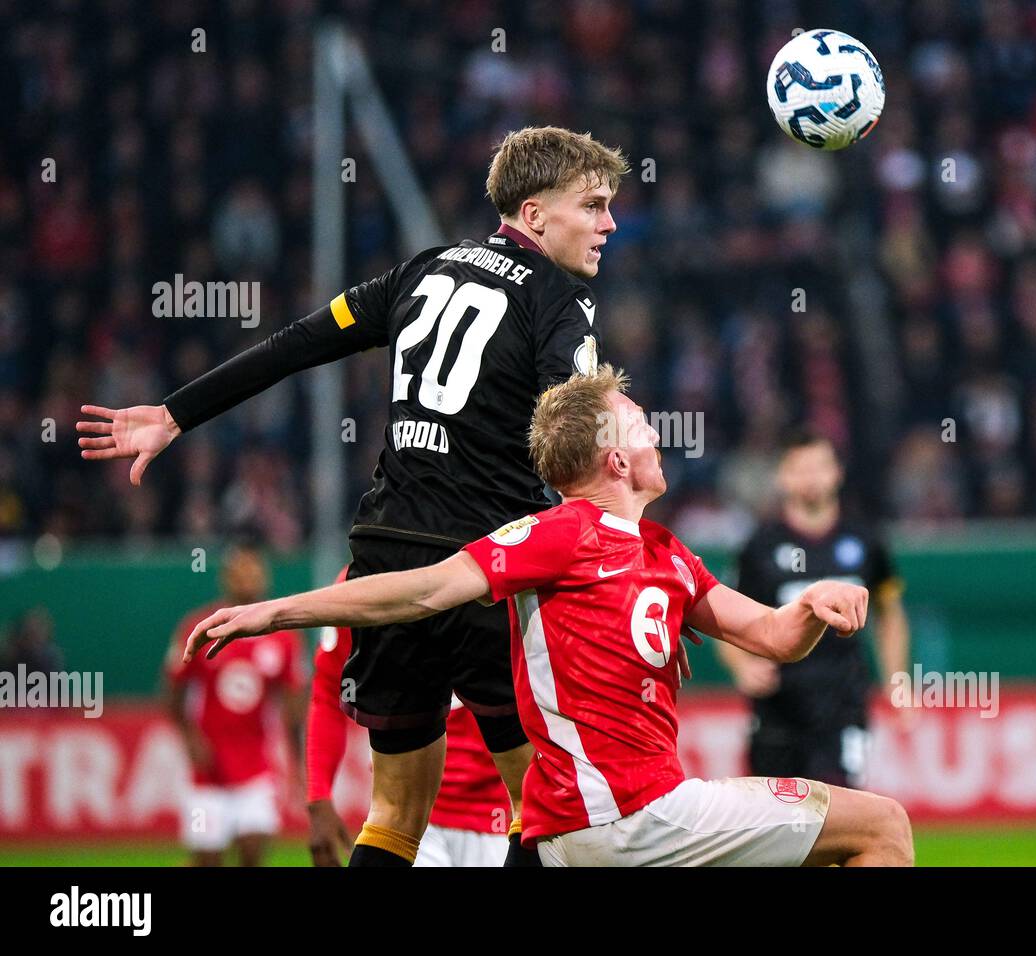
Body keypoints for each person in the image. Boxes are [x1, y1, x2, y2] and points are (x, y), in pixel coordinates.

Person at [78, 127, 628, 865]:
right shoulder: (561, 300)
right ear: (534, 214)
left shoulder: (421, 270)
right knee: (542, 805)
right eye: (592, 206)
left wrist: (176, 413)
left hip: (385, 558)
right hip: (484, 570)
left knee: (394, 814)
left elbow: (298, 342)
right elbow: (574, 434)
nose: (609, 225)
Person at [183, 366, 913, 867]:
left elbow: (772, 636)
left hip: (578, 833)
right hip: (629, 816)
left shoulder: (666, 552)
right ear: (613, 458)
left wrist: (814, 607)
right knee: (885, 827)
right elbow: (417, 589)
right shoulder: (558, 534)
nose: (657, 431)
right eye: (639, 423)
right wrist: (275, 612)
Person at [719, 430, 910, 787]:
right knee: (774, 824)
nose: (810, 478)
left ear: (837, 472)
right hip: (778, 705)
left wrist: (897, 680)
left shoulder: (866, 541)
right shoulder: (759, 547)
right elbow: (725, 615)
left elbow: (890, 614)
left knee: (843, 812)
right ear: (782, 477)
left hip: (844, 703)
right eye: (799, 469)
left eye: (819, 467)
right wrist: (741, 665)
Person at [308, 570, 510, 866]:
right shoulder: (364, 576)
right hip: (404, 818)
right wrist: (318, 796)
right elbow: (328, 692)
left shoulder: (503, 565)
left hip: (499, 814)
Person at [163, 542, 305, 866]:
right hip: (209, 770)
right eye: (240, 572)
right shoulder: (200, 627)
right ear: (226, 579)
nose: (248, 579)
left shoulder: (283, 638)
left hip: (256, 768)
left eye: (254, 571)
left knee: (253, 854)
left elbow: (293, 706)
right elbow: (172, 690)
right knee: (207, 860)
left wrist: (297, 765)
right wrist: (189, 738)